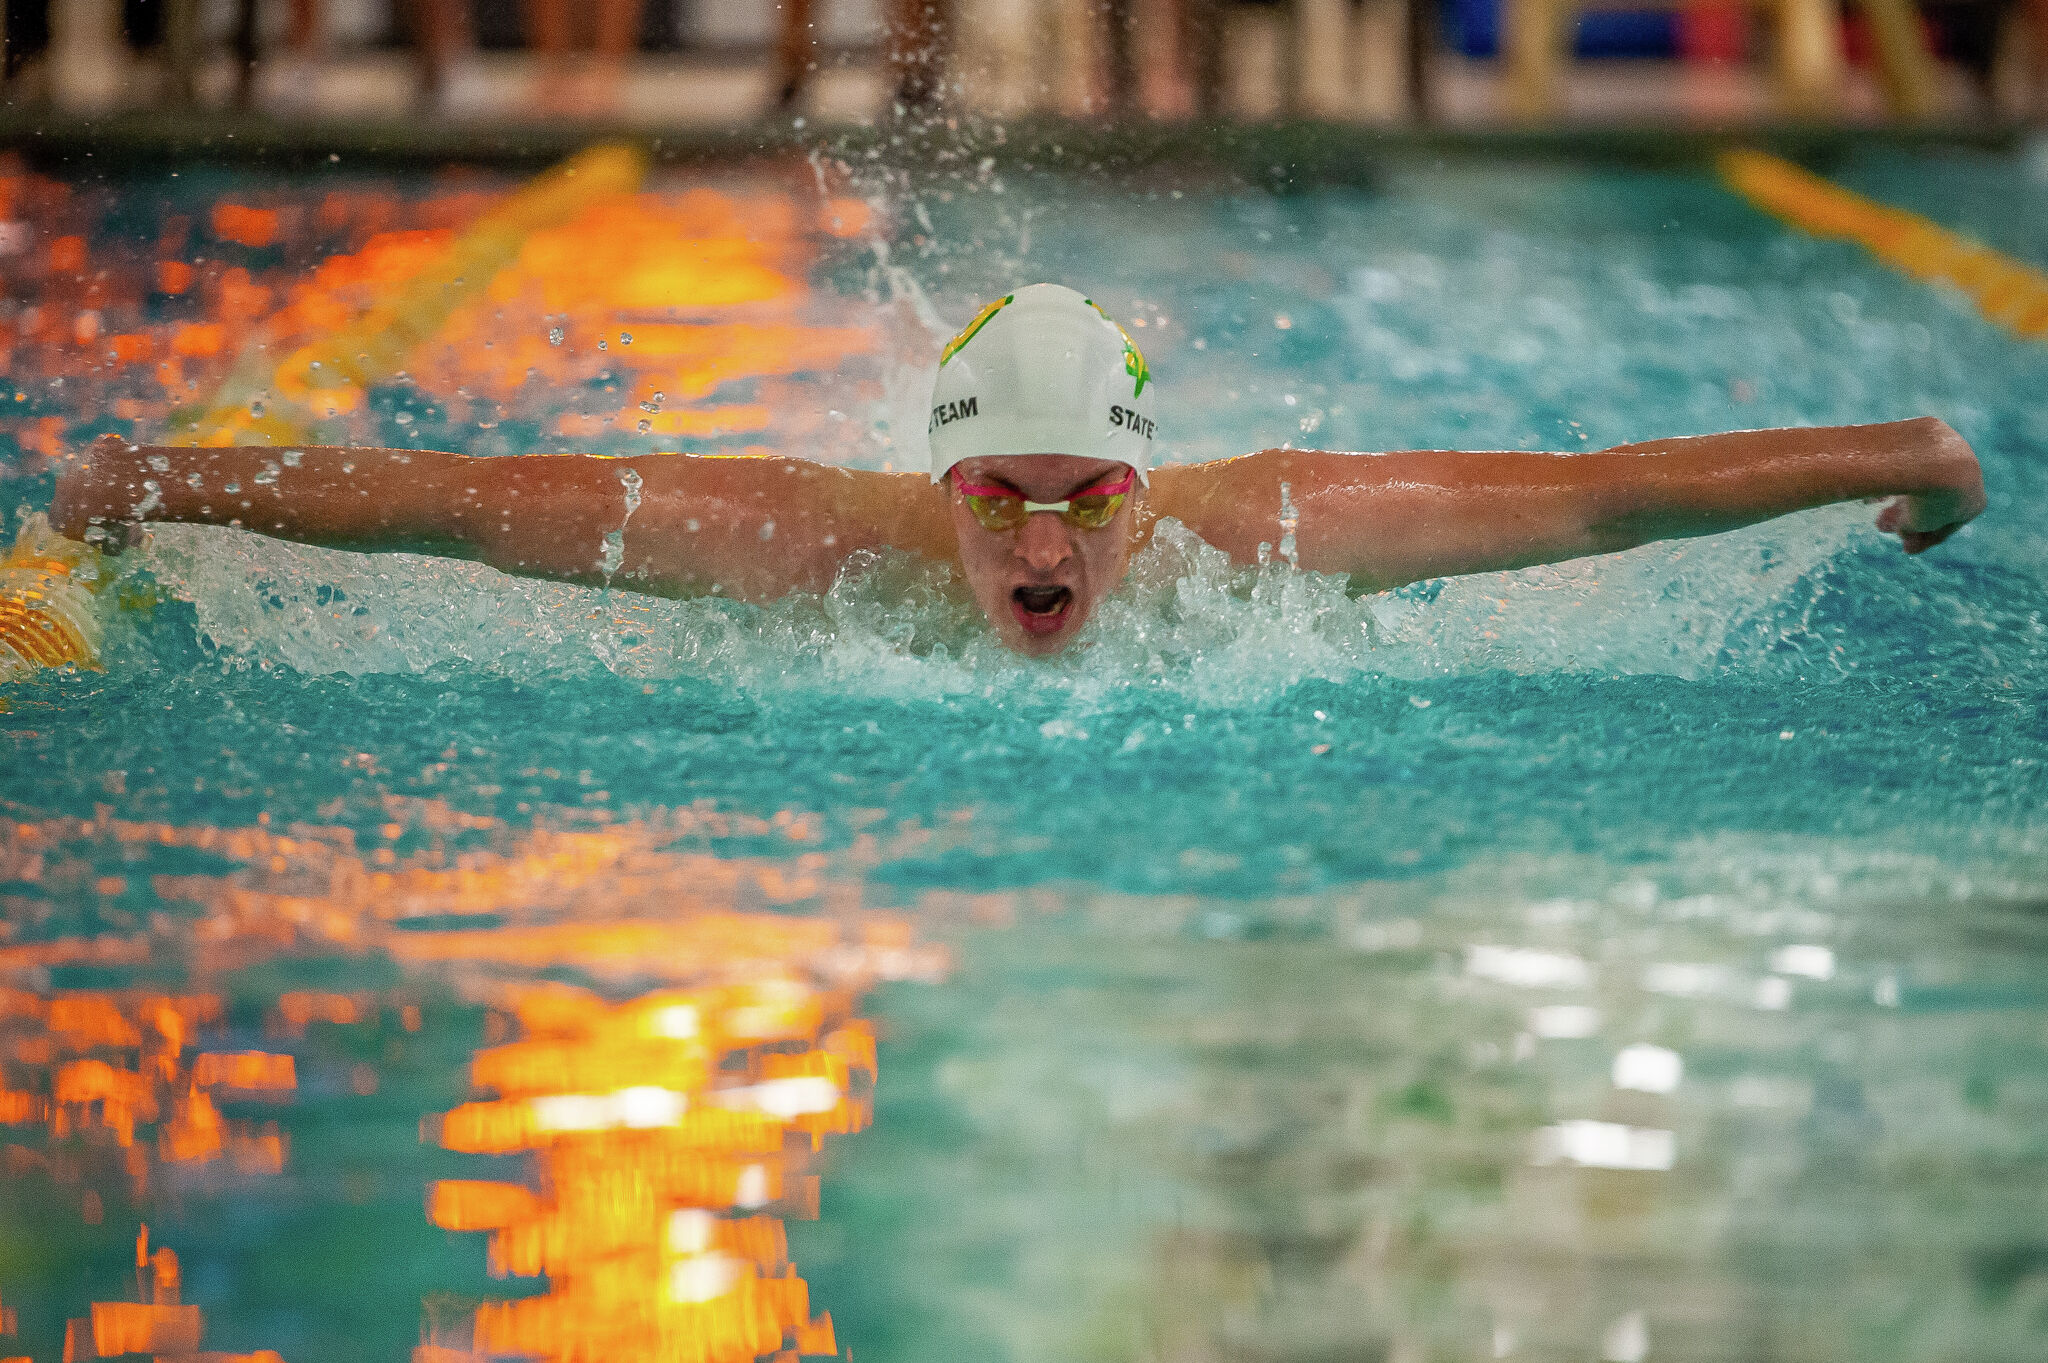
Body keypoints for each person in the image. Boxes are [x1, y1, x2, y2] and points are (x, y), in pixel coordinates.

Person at [51, 283, 1986, 659]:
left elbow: (1602, 491)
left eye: (1090, 495)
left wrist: (1906, 454)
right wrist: (165, 475)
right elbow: (459, 502)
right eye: (1003, 496)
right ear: (941, 489)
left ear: (1152, 490)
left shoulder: (1278, 528)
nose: (1048, 537)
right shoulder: (788, 543)